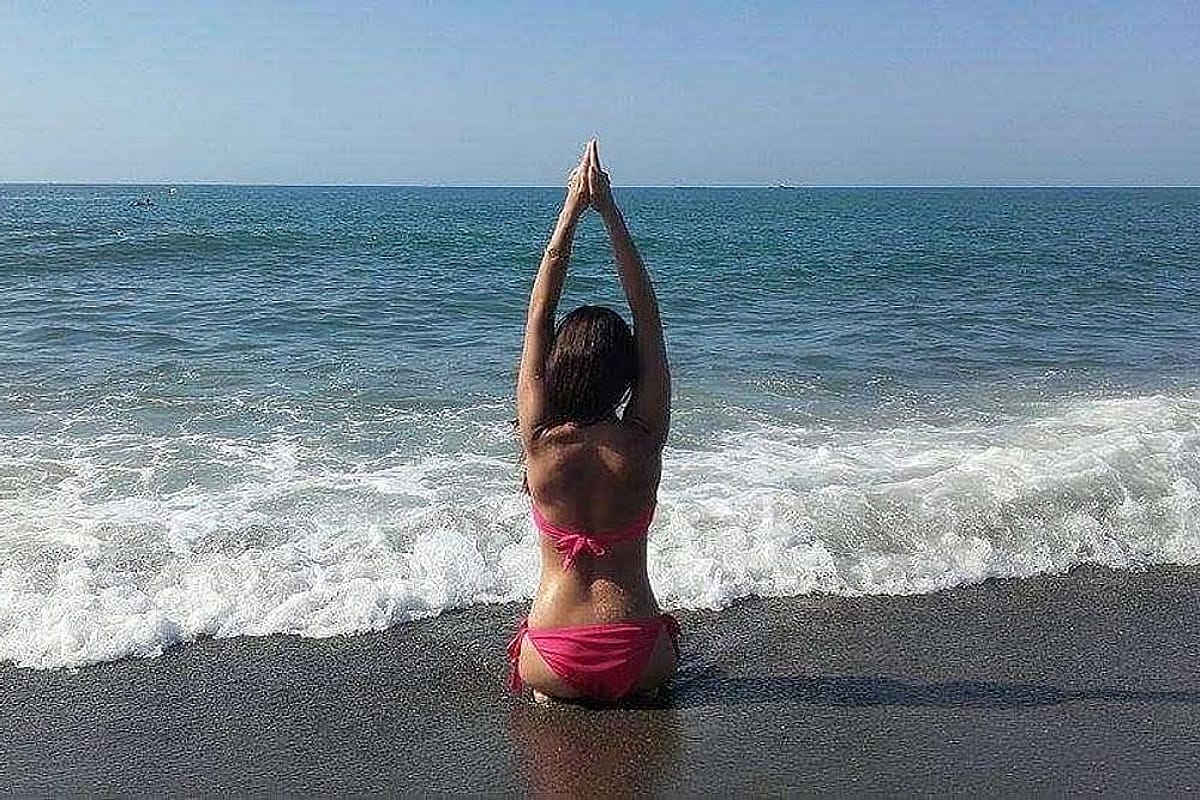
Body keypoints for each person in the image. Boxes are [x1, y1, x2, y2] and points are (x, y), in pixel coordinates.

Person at [507, 140, 678, 703]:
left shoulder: (538, 442)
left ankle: (556, 700)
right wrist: (609, 211)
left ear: (557, 368)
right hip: (639, 654)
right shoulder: (644, 439)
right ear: (626, 373)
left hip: (553, 655)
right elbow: (645, 308)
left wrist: (570, 212)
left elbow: (539, 313)